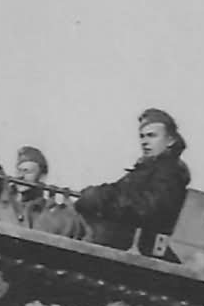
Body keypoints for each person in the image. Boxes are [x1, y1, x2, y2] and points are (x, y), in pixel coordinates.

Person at [74, 108, 190, 255]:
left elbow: (145, 208)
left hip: (134, 246)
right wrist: (97, 194)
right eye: (142, 136)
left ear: (170, 140)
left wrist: (101, 197)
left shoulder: (170, 173)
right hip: (116, 240)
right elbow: (119, 193)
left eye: (152, 136)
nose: (145, 142)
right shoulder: (146, 170)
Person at [0, 146, 88, 239]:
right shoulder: (3, 200)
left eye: (28, 172)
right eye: (19, 171)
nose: (21, 176)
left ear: (42, 176)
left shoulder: (48, 210)